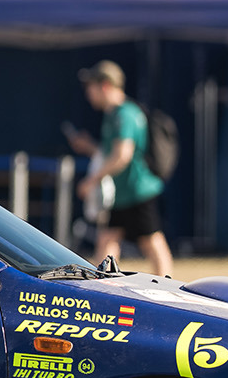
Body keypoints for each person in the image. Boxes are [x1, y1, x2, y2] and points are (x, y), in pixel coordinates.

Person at [64, 61, 172, 276]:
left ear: (105, 86)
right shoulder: (114, 115)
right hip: (122, 193)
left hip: (137, 190)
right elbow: (112, 155)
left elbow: (122, 156)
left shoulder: (125, 114)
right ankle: (104, 285)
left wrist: (91, 180)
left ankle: (168, 290)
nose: (88, 93)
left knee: (152, 242)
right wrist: (89, 147)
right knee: (107, 239)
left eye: (91, 87)